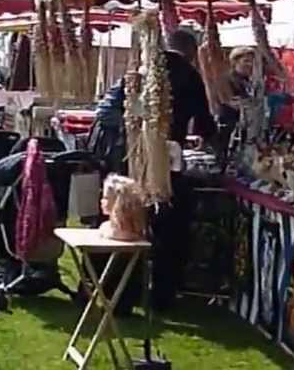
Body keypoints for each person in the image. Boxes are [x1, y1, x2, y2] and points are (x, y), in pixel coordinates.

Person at [88, 27, 214, 311]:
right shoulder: (189, 76)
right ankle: (161, 295)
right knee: (168, 228)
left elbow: (106, 111)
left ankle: (120, 293)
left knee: (126, 223)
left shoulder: (137, 72)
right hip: (164, 165)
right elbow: (205, 123)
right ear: (192, 52)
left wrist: (134, 132)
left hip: (130, 160)